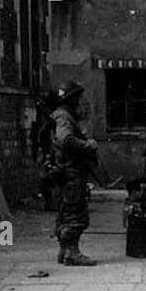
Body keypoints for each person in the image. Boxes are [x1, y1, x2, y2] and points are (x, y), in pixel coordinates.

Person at [52, 80, 100, 266]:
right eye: (78, 97)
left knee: (66, 211)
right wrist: (87, 145)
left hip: (67, 170)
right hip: (71, 172)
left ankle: (64, 251)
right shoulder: (64, 117)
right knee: (75, 212)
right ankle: (72, 252)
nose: (80, 101)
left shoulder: (62, 116)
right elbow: (65, 140)